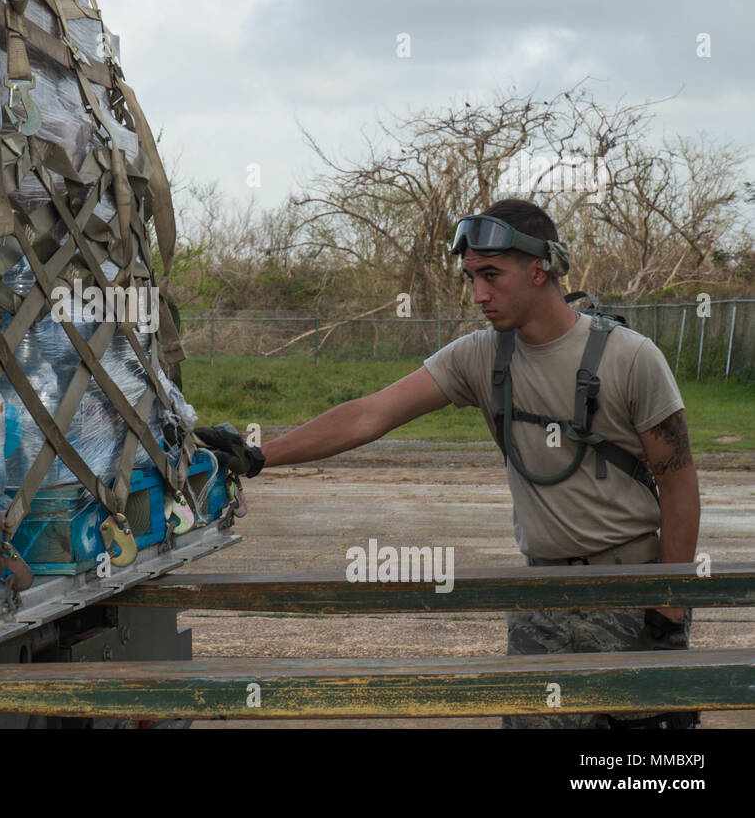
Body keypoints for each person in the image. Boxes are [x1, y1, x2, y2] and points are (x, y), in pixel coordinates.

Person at [195, 198, 701, 729]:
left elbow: (680, 485)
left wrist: (669, 601)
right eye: (470, 277)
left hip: (632, 590)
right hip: (540, 598)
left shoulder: (630, 357)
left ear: (539, 268)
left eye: (491, 275)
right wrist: (257, 455)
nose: (479, 294)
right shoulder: (481, 356)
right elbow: (370, 414)